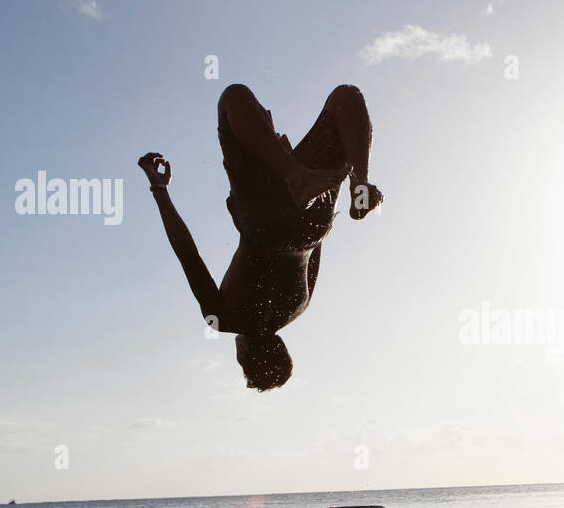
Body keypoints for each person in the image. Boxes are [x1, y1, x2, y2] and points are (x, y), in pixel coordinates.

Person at [138, 82, 384, 391]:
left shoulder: (299, 306)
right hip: (264, 227)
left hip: (311, 228)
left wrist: (284, 162)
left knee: (345, 98)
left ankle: (360, 184)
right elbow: (187, 253)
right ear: (242, 354)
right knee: (233, 98)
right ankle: (295, 175)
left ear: (280, 345)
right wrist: (159, 190)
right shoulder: (222, 318)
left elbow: (313, 240)